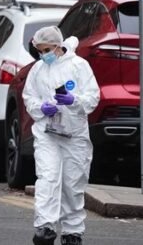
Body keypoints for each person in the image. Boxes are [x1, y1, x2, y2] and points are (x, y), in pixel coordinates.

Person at [23, 26, 100, 245]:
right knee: (47, 179)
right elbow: (29, 97)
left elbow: (93, 98)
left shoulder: (79, 66)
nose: (43, 55)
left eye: (46, 50)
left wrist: (74, 101)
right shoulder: (38, 69)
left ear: (58, 46)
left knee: (72, 185)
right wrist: (41, 107)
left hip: (74, 135)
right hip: (47, 134)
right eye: (39, 51)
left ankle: (72, 232)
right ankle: (45, 228)